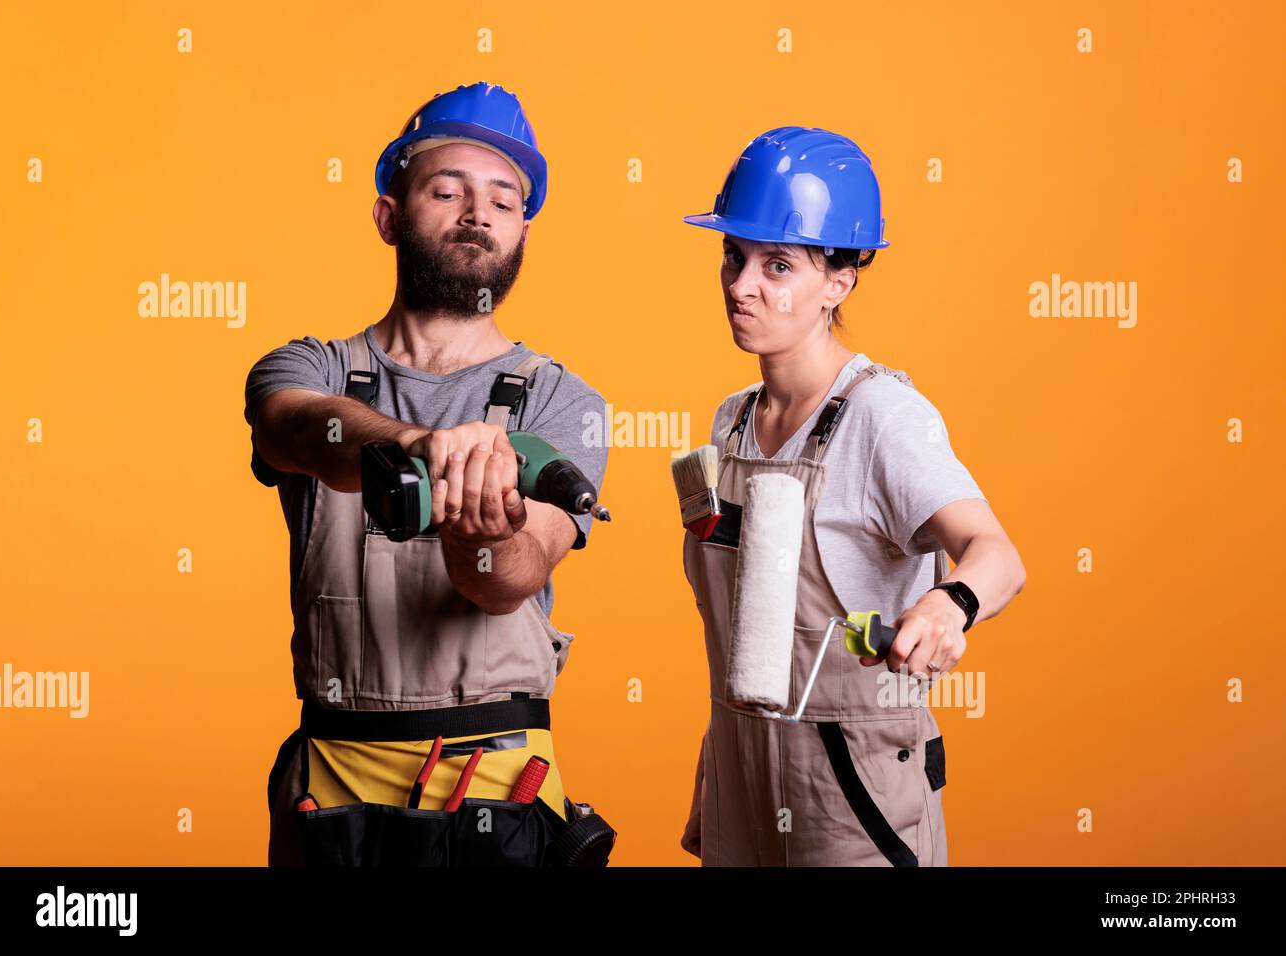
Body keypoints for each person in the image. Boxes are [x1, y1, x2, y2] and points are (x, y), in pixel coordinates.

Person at [244, 82, 609, 865]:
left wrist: (481, 530)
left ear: (521, 232)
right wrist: (421, 445)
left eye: (503, 201)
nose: (477, 213)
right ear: (389, 216)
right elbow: (294, 431)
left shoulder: (562, 401)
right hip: (335, 786)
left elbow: (509, 581)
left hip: (495, 786)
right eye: (448, 191)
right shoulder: (311, 367)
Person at [678, 126, 1026, 866]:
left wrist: (948, 604)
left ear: (840, 282)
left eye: (778, 265)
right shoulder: (731, 420)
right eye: (733, 258)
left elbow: (998, 555)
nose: (743, 286)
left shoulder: (880, 416)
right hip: (740, 767)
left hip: (850, 785)